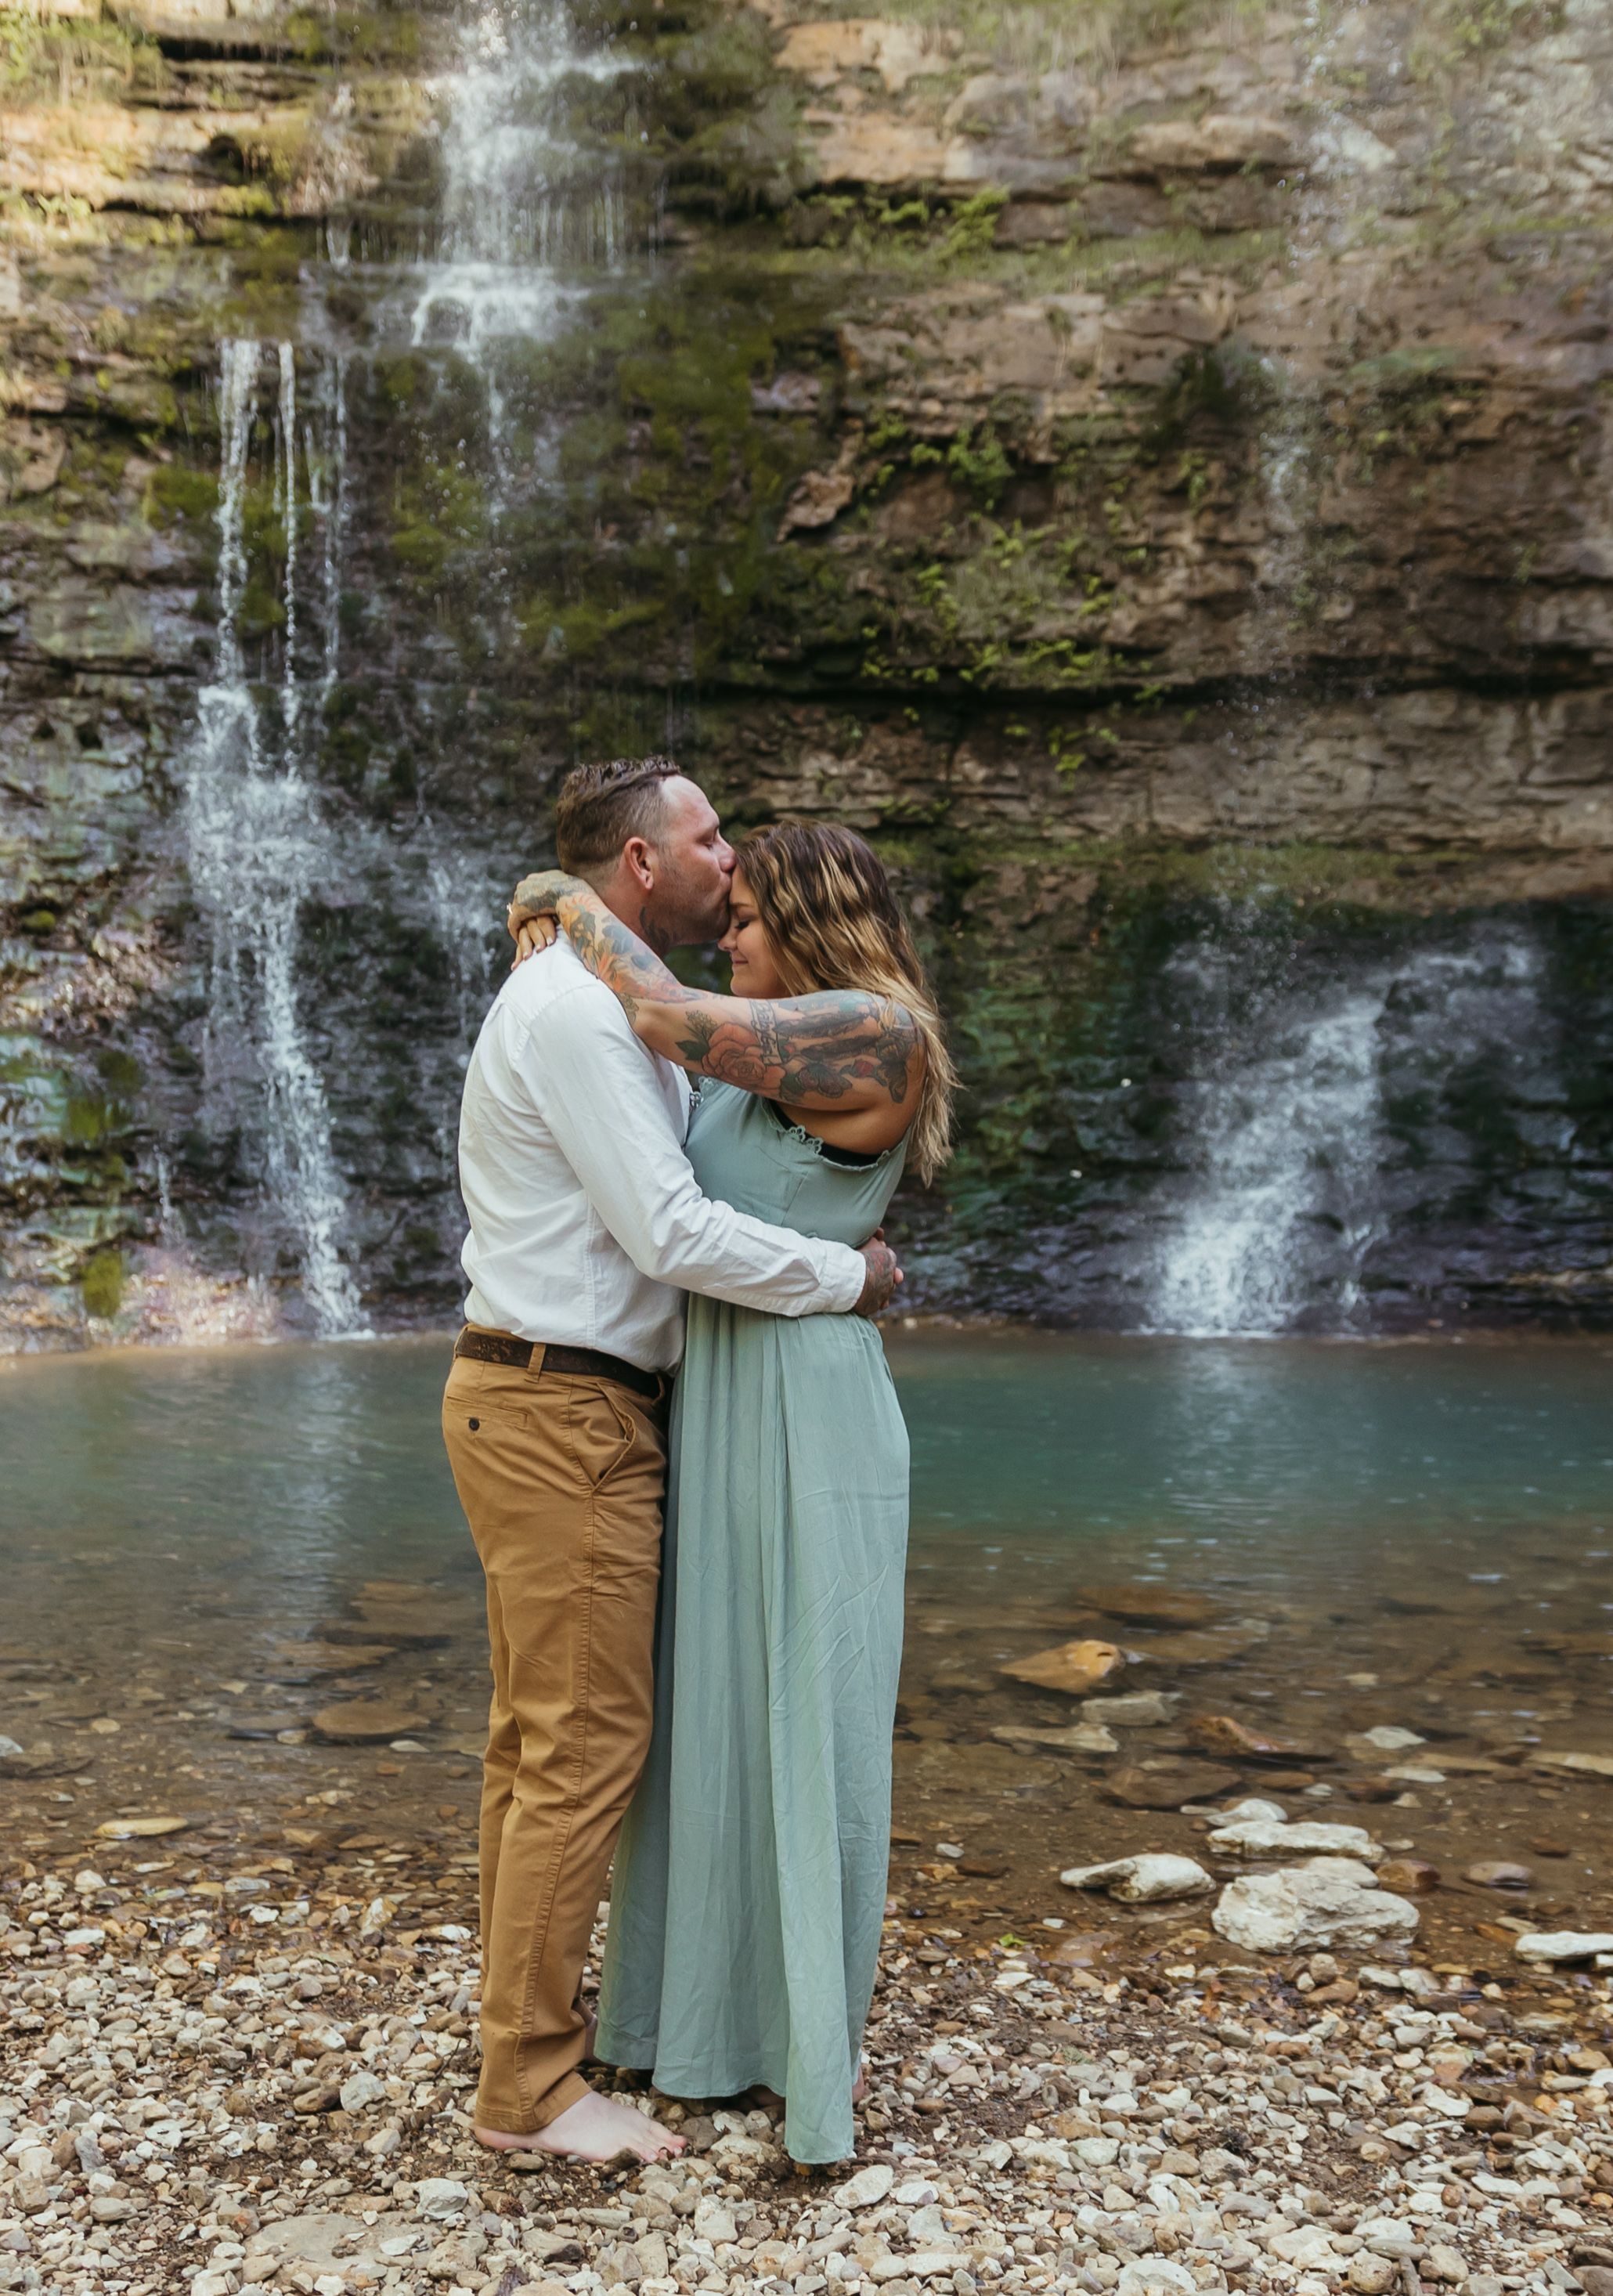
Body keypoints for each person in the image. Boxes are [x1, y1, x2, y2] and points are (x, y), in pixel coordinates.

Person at [442, 760, 902, 2168]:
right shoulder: (589, 1012)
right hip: (564, 1407)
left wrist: (553, 902)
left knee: (552, 1743)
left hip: (597, 1405)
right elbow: (669, 1235)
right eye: (709, 842)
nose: (727, 861)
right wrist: (850, 1274)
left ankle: (596, 2032)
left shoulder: (652, 1006)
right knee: (578, 1749)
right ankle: (527, 2085)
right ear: (643, 866)